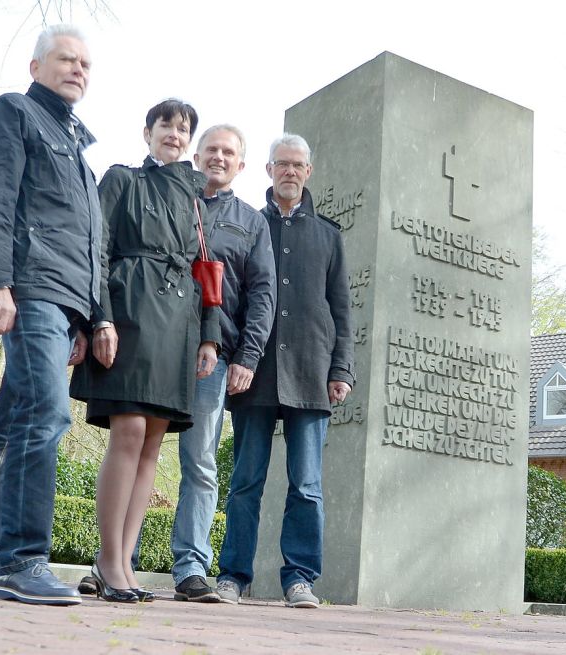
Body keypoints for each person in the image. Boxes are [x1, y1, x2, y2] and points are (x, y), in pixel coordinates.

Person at [0, 25, 100, 606]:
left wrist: (86, 317)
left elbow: (89, 243)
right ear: (36, 67)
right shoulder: (13, 113)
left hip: (62, 303)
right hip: (29, 290)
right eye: (66, 59)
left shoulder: (79, 152)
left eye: (85, 63)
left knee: (12, 424)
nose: (78, 69)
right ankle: (21, 559)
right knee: (44, 414)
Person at [70, 99, 220, 603]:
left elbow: (206, 271)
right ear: (147, 132)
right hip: (129, 313)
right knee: (129, 429)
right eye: (165, 125)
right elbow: (96, 249)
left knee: (153, 440)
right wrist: (100, 318)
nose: (174, 134)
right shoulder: (122, 180)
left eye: (183, 129)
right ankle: (110, 560)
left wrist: (209, 335)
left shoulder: (197, 201)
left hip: (178, 323)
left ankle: (122, 564)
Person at [216, 133, 354, 609]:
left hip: (312, 371)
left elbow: (342, 310)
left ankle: (300, 579)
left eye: (298, 165)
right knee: (245, 482)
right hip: (254, 372)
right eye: (282, 164)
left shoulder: (329, 236)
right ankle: (233, 576)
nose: (290, 171)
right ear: (269, 170)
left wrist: (342, 369)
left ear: (308, 172)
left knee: (307, 486)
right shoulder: (250, 225)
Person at [169, 125, 276, 602]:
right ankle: (115, 559)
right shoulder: (173, 201)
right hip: (158, 348)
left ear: (241, 165)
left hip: (214, 358)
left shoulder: (252, 222)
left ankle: (191, 568)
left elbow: (262, 295)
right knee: (137, 452)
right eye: (211, 149)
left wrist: (248, 355)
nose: (218, 157)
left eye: (228, 152)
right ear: (196, 156)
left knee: (200, 463)